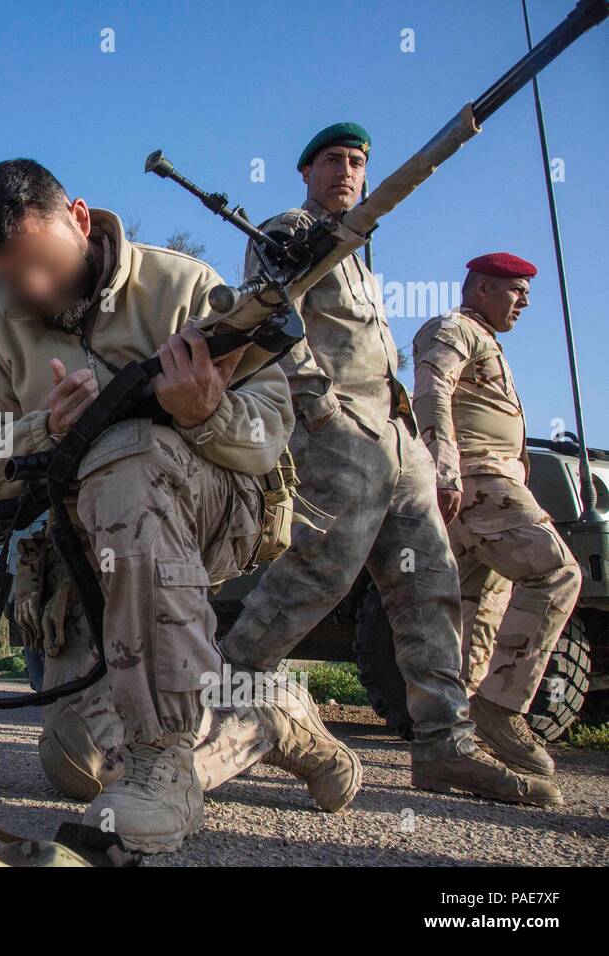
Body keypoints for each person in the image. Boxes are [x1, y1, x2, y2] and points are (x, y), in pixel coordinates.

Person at [0, 158, 360, 853]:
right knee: (77, 764)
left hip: (208, 510)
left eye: (44, 265)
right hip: (81, 552)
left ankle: (164, 760)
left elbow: (268, 432)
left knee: (125, 456)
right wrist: (45, 431)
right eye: (10, 272)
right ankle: (261, 719)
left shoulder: (184, 287)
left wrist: (208, 411)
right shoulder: (0, 323)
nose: (33, 288)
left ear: (79, 220)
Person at [216, 124, 560, 806]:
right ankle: (219, 698)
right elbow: (271, 318)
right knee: (315, 575)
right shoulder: (291, 232)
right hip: (339, 434)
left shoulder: (360, 255)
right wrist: (320, 412)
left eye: (357, 163)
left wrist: (417, 442)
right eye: (333, 161)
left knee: (430, 586)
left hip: (396, 442)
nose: (347, 171)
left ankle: (444, 746)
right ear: (306, 171)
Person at [413, 252, 580, 778]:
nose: (525, 300)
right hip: (480, 482)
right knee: (556, 573)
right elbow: (431, 392)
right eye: (516, 289)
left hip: (480, 487)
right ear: (482, 287)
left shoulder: (487, 341)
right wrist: (444, 466)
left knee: (473, 612)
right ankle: (502, 707)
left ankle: (454, 745)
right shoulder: (453, 329)